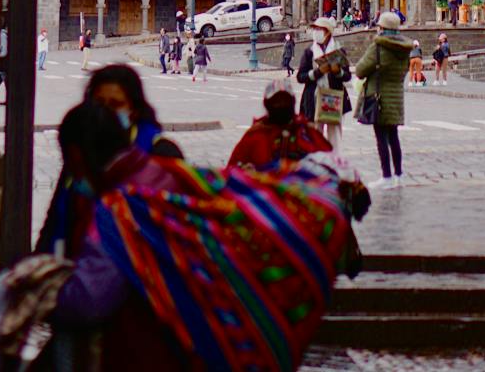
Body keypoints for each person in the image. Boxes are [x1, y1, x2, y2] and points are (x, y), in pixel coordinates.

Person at [47, 100, 361, 365]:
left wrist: (38, 291)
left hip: (157, 352)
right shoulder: (168, 173)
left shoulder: (119, 209)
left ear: (76, 156)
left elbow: (89, 300)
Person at [35, 64, 181, 256]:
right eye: (100, 103)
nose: (106, 111)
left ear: (134, 109)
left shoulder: (161, 151)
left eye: (116, 104)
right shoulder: (81, 150)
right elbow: (55, 217)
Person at [353, 10, 412, 185]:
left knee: (381, 138)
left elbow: (360, 70)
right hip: (396, 97)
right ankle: (399, 174)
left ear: (382, 28)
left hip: (378, 97)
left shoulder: (378, 47)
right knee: (393, 136)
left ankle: (386, 176)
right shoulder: (404, 50)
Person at [228, 80, 331, 172]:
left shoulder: (307, 132)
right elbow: (231, 170)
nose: (281, 105)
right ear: (267, 104)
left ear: (292, 102)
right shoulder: (255, 135)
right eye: (276, 102)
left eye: (285, 101)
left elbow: (330, 163)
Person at [296, 16, 351, 148]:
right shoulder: (309, 52)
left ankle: (334, 161)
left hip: (333, 96)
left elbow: (347, 76)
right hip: (314, 98)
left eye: (320, 29)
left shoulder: (338, 51)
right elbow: (300, 77)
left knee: (334, 135)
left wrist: (337, 71)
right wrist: (318, 72)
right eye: (315, 29)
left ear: (327, 32)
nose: (316, 32)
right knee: (315, 133)